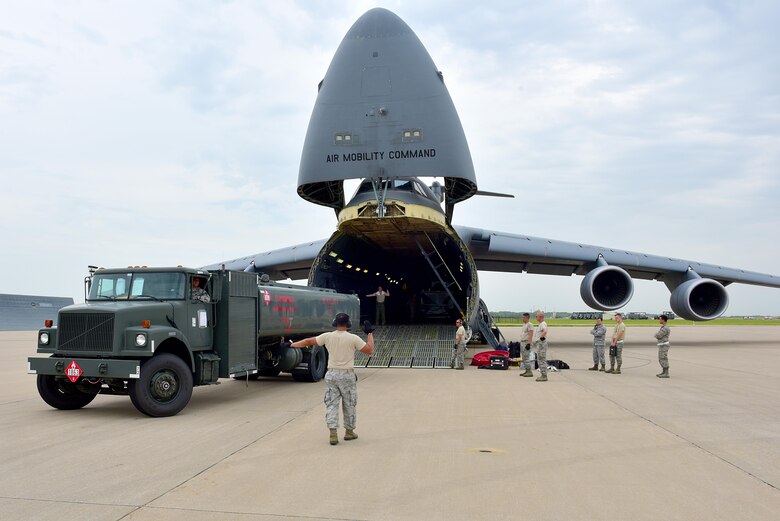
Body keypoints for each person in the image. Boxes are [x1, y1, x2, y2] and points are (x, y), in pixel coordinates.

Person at [288, 313, 374, 445]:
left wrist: (292, 345)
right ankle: (349, 432)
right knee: (349, 403)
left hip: (332, 375)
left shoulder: (327, 336)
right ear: (348, 324)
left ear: (335, 323)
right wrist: (369, 333)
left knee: (332, 404)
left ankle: (333, 434)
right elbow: (369, 350)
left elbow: (308, 342)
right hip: (347, 375)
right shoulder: (353, 338)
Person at [532, 310, 549, 382]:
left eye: (536, 316)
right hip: (540, 344)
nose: (536, 317)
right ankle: (543, 374)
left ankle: (544, 375)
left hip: (541, 344)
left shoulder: (542, 324)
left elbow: (545, 331)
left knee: (541, 359)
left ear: (541, 317)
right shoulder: (541, 324)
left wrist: (541, 338)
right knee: (540, 359)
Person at [519, 312, 535, 377]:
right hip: (523, 342)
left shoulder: (529, 325)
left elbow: (530, 334)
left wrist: (528, 343)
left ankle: (529, 372)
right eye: (522, 317)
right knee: (523, 358)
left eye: (523, 317)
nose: (522, 318)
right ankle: (527, 370)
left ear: (527, 318)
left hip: (526, 342)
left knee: (526, 357)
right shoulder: (524, 324)